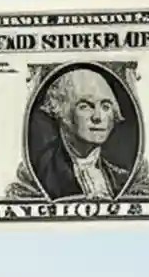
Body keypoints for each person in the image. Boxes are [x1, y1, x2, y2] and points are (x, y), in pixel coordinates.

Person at [32, 68, 138, 200]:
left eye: (105, 107)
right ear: (62, 111)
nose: (98, 117)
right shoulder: (40, 172)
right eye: (85, 106)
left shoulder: (121, 177)